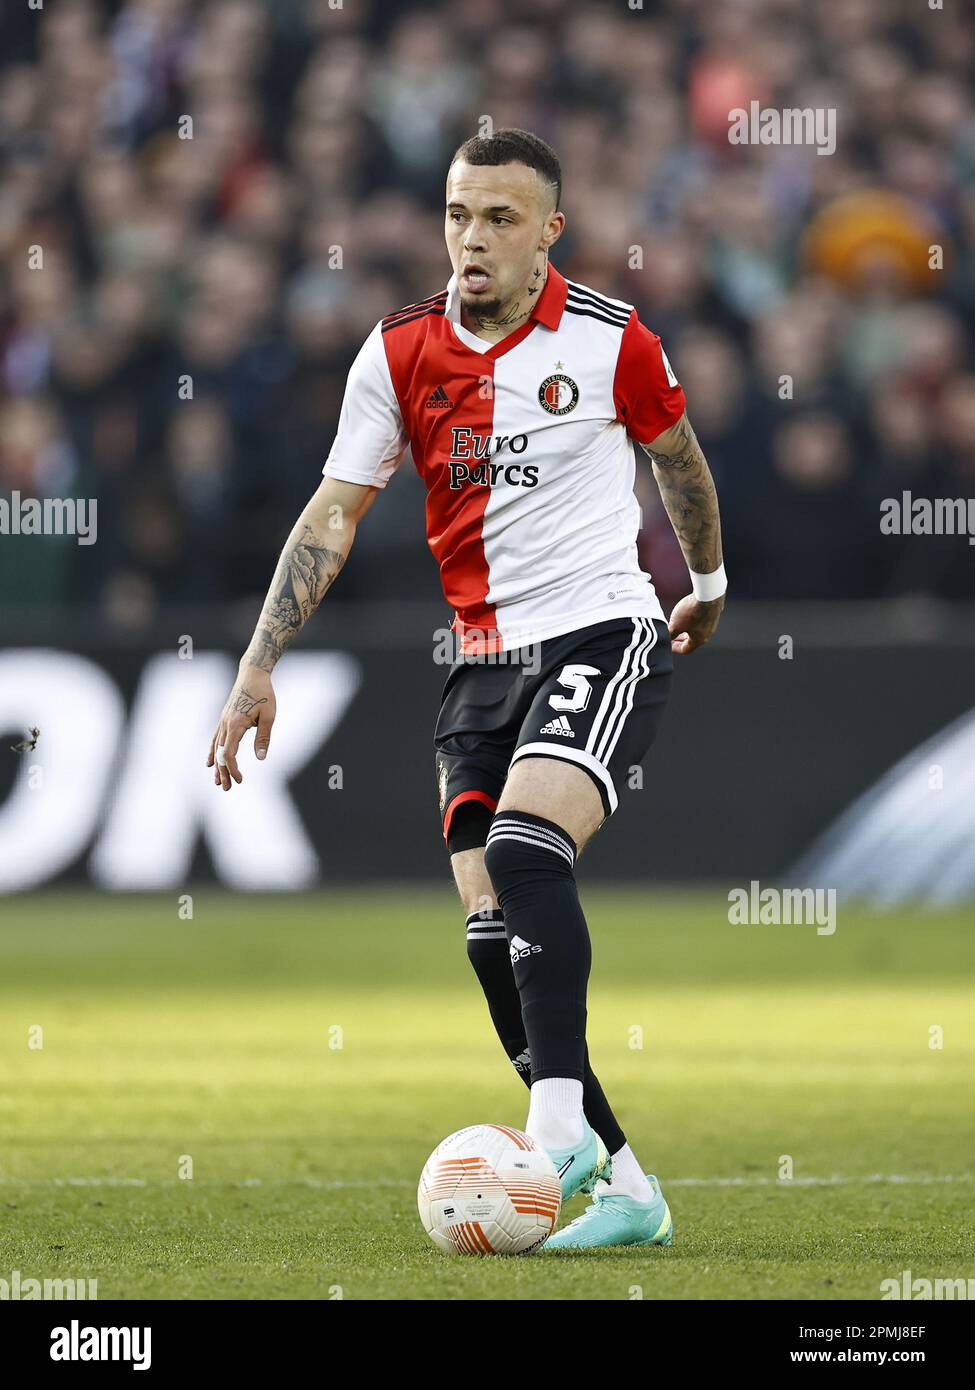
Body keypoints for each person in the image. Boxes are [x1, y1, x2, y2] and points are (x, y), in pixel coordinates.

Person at [208, 129, 727, 1250]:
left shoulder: (609, 341)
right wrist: (257, 663)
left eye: (500, 217)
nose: (472, 238)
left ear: (551, 231)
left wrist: (711, 581)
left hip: (602, 624)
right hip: (480, 660)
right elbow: (333, 514)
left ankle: (556, 1127)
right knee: (493, 931)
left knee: (529, 847)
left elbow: (677, 457)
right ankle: (629, 1189)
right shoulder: (394, 353)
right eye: (457, 214)